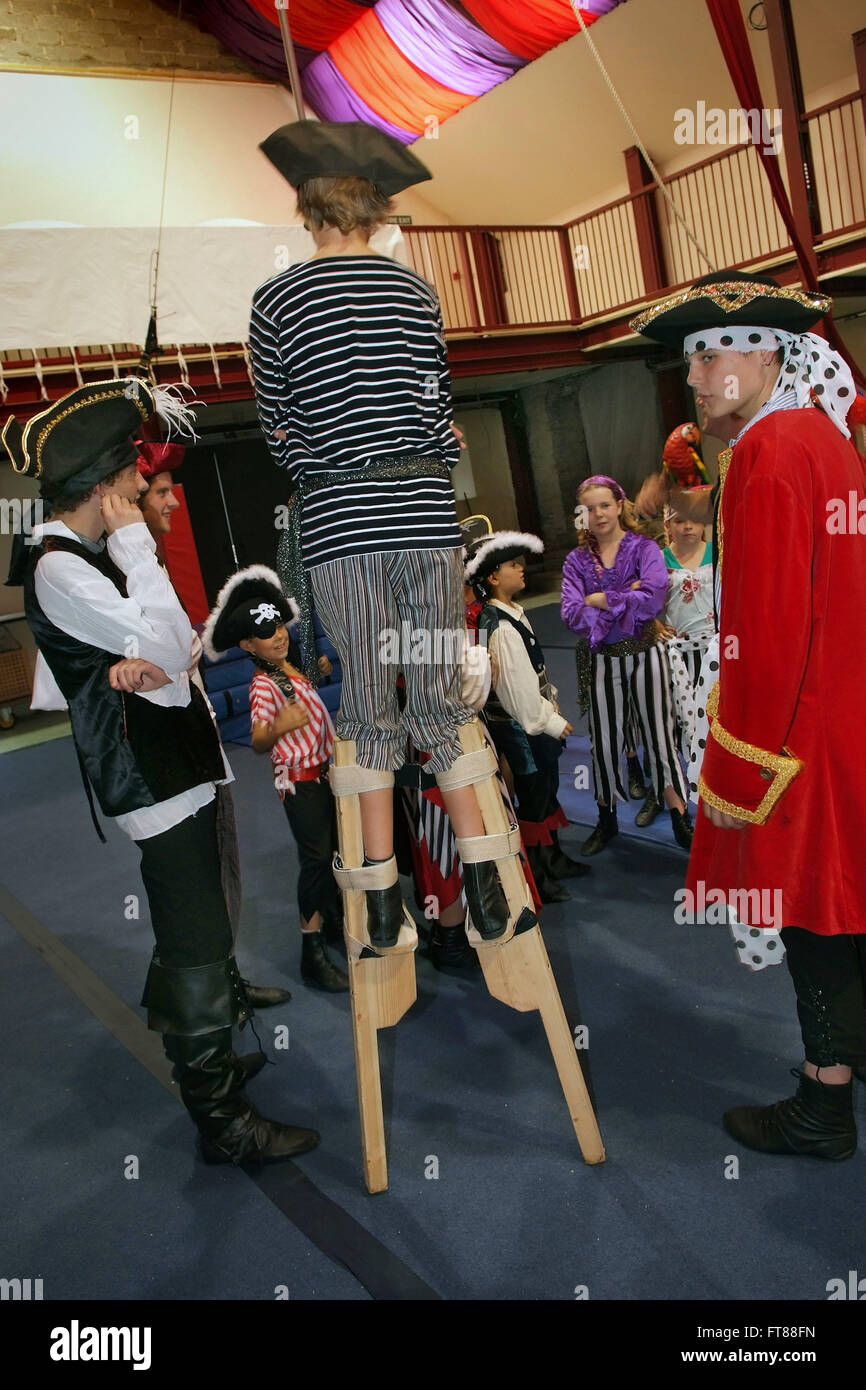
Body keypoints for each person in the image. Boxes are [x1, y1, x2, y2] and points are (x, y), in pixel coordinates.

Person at [2, 378, 319, 1165]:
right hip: (151, 773)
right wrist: (142, 576)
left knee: (198, 923)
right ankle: (221, 1118)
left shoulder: (81, 554)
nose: (148, 491)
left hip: (171, 756)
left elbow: (169, 652)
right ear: (105, 489)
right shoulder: (60, 566)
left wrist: (152, 660)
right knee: (194, 935)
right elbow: (176, 645)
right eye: (137, 483)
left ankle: (205, 1048)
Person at [248, 120, 520, 949]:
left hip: (340, 525)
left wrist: (331, 457)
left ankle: (375, 896)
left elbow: (277, 430)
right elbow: (441, 419)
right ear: (373, 209)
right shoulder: (415, 292)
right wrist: (423, 450)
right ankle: (483, 881)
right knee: (437, 700)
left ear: (308, 208)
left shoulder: (274, 301)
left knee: (367, 711)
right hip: (424, 517)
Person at [631, 267, 866, 1158]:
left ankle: (822, 1103)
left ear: (767, 356)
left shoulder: (768, 453)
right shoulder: (825, 440)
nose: (693, 376)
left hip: (799, 736)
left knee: (812, 916)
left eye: (710, 352)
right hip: (849, 717)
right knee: (853, 906)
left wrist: (735, 769)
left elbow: (763, 635)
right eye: (689, 358)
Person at [136, 441, 291, 1010]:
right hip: (169, 758)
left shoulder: (151, 564)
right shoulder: (127, 572)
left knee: (219, 874)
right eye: (158, 493)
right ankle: (205, 1004)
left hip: (196, 743)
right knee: (192, 891)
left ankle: (224, 984)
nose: (172, 502)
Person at [203, 567, 348, 992]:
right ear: (248, 645)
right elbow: (260, 740)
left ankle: (336, 921)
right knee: (316, 859)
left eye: (280, 625)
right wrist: (280, 725)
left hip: (323, 773)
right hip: (299, 780)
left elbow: (307, 702)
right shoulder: (263, 684)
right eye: (267, 634)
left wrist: (315, 674)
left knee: (332, 851)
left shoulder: (291, 670)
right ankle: (312, 952)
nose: (279, 635)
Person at [561, 476, 692, 855]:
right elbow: (571, 613)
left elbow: (652, 601)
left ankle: (679, 812)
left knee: (660, 736)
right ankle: (607, 819)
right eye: (589, 508)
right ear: (581, 515)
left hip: (647, 653)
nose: (597, 514)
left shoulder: (644, 548)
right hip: (602, 659)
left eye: (604, 505)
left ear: (620, 505)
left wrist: (602, 599)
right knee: (604, 742)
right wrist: (623, 602)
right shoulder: (575, 561)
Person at [467, 530, 588, 903]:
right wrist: (548, 721)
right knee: (534, 799)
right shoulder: (500, 627)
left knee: (548, 790)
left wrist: (550, 701)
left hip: (535, 720)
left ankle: (552, 856)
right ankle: (538, 871)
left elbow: (532, 674)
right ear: (492, 577)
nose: (522, 570)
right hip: (524, 730)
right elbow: (516, 692)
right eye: (513, 565)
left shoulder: (513, 614)